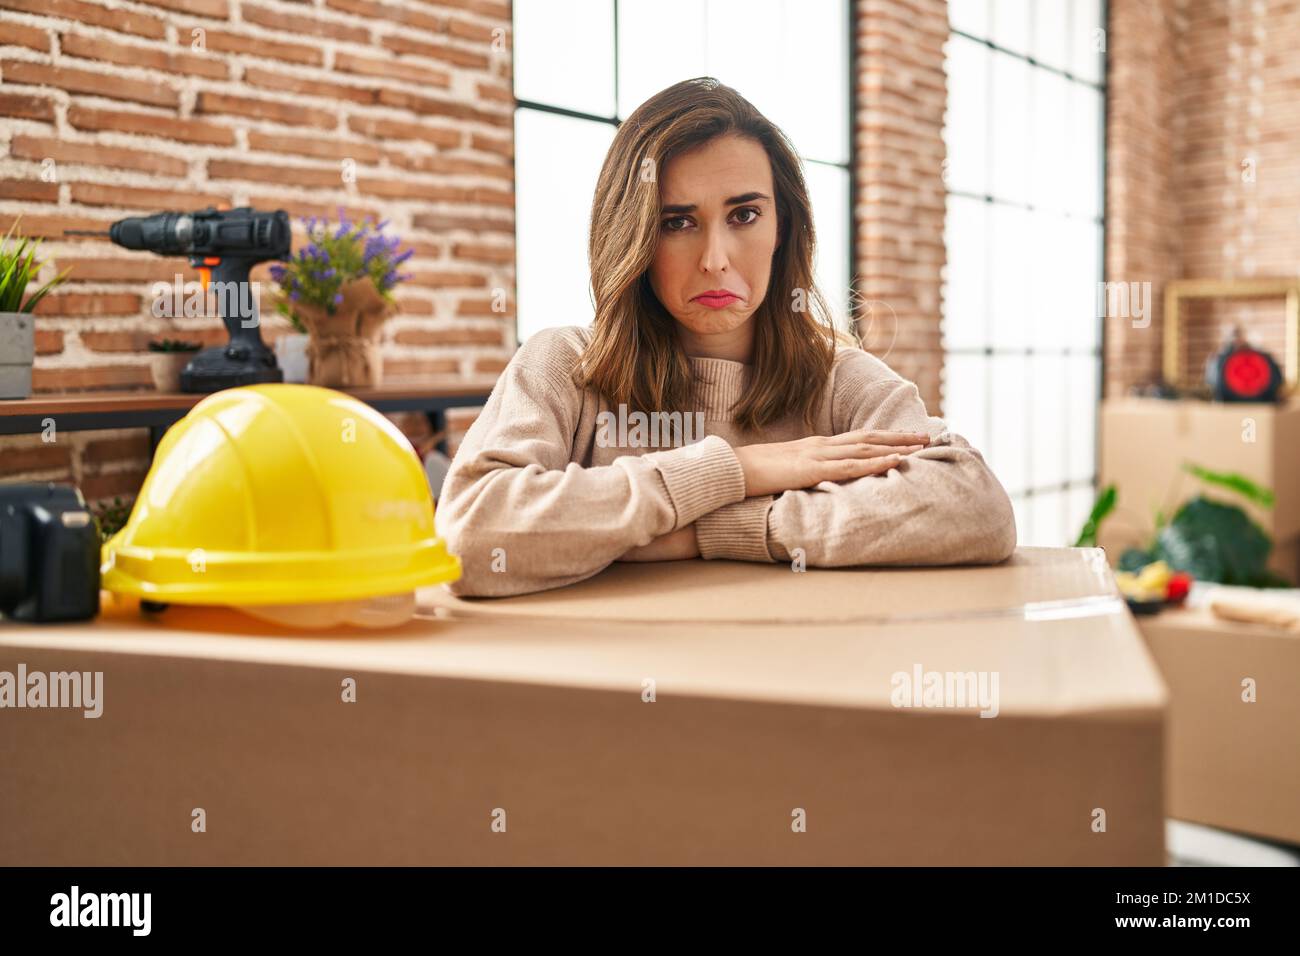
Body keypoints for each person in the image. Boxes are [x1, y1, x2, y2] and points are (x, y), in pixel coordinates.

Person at [435, 77, 1016, 598]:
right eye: (677, 222)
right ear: (633, 237)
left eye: (744, 215)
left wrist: (712, 530)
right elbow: (471, 538)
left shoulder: (839, 380)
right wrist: (737, 471)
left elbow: (975, 507)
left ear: (782, 227)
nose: (715, 260)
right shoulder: (563, 365)